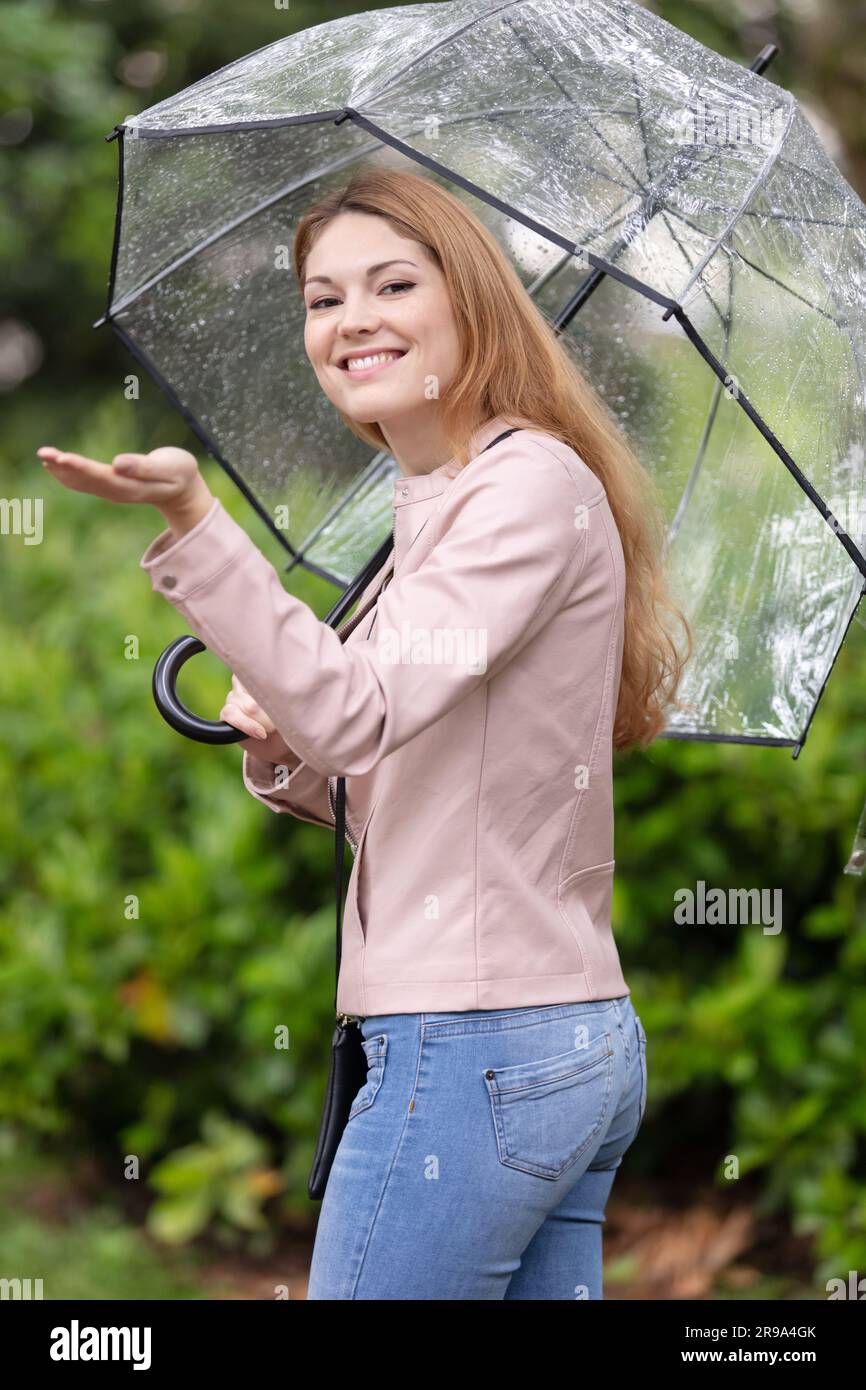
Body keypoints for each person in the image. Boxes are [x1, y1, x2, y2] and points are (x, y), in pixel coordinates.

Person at [37, 167, 692, 1300]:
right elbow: (371, 752)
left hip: (474, 1044)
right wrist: (274, 732)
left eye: (391, 283)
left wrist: (195, 523)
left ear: (468, 303)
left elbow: (354, 711)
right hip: (537, 1041)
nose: (350, 321)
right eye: (321, 298)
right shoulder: (442, 496)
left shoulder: (521, 488)